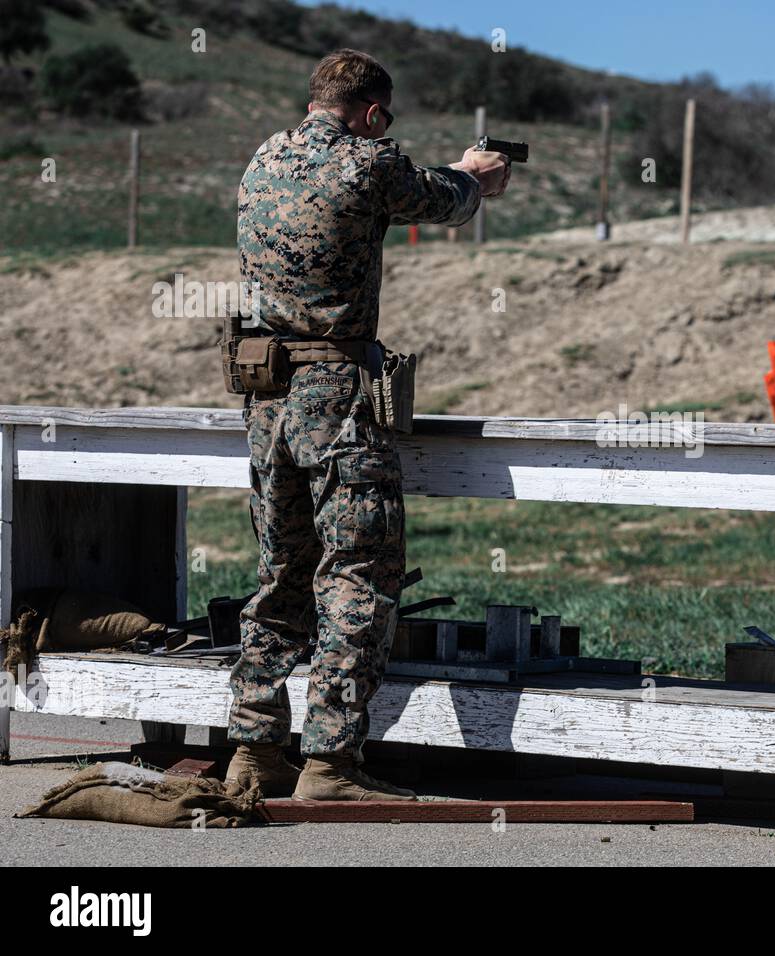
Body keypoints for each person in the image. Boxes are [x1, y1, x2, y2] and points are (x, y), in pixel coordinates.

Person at [223, 49, 510, 801]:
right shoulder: (370, 161)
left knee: (279, 577)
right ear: (374, 113)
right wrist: (475, 177)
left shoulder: (264, 156)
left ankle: (253, 748)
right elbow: (444, 200)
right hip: (335, 392)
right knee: (357, 576)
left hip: (263, 395)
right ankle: (330, 764)